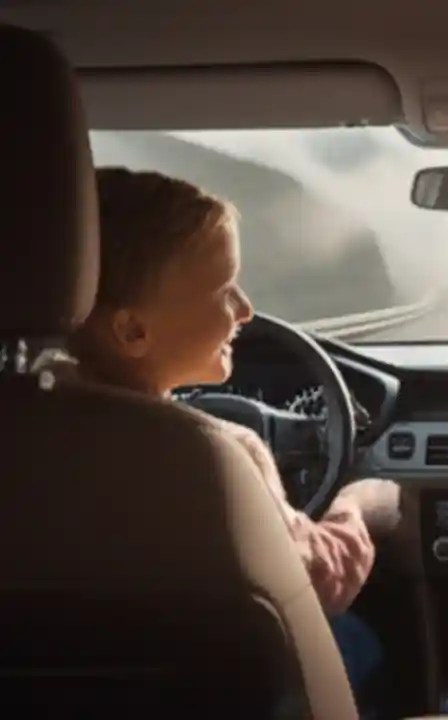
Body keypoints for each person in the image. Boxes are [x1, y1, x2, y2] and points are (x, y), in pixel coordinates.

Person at [37, 167, 400, 712]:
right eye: (223, 288)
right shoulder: (216, 453)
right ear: (133, 332)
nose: (246, 309)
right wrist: (361, 503)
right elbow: (326, 583)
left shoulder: (26, 437)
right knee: (360, 643)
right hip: (208, 692)